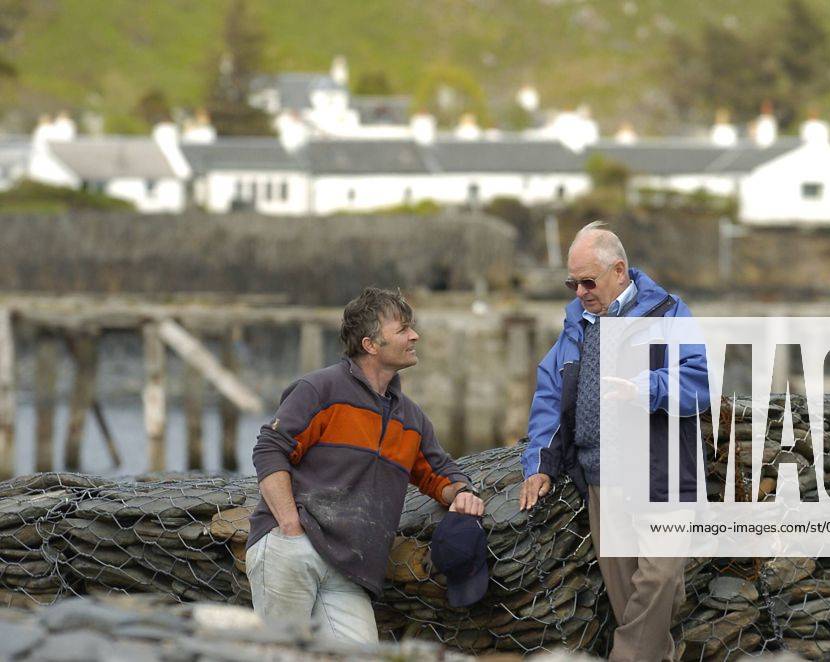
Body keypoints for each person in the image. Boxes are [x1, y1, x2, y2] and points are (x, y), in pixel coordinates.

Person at [246, 286, 484, 645]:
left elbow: (439, 474)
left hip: (350, 572)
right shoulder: (320, 390)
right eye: (403, 329)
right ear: (370, 345)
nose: (415, 336)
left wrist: (462, 493)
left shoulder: (411, 419)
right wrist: (291, 528)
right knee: (279, 655)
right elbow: (269, 450)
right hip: (292, 548)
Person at [518, 222, 709, 662]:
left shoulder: (669, 313)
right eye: (572, 283)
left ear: (619, 271)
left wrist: (645, 389)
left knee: (661, 578)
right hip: (601, 479)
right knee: (631, 603)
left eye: (588, 282)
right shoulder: (574, 327)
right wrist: (539, 466)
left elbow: (699, 383)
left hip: (662, 473)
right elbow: (549, 400)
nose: (580, 292)